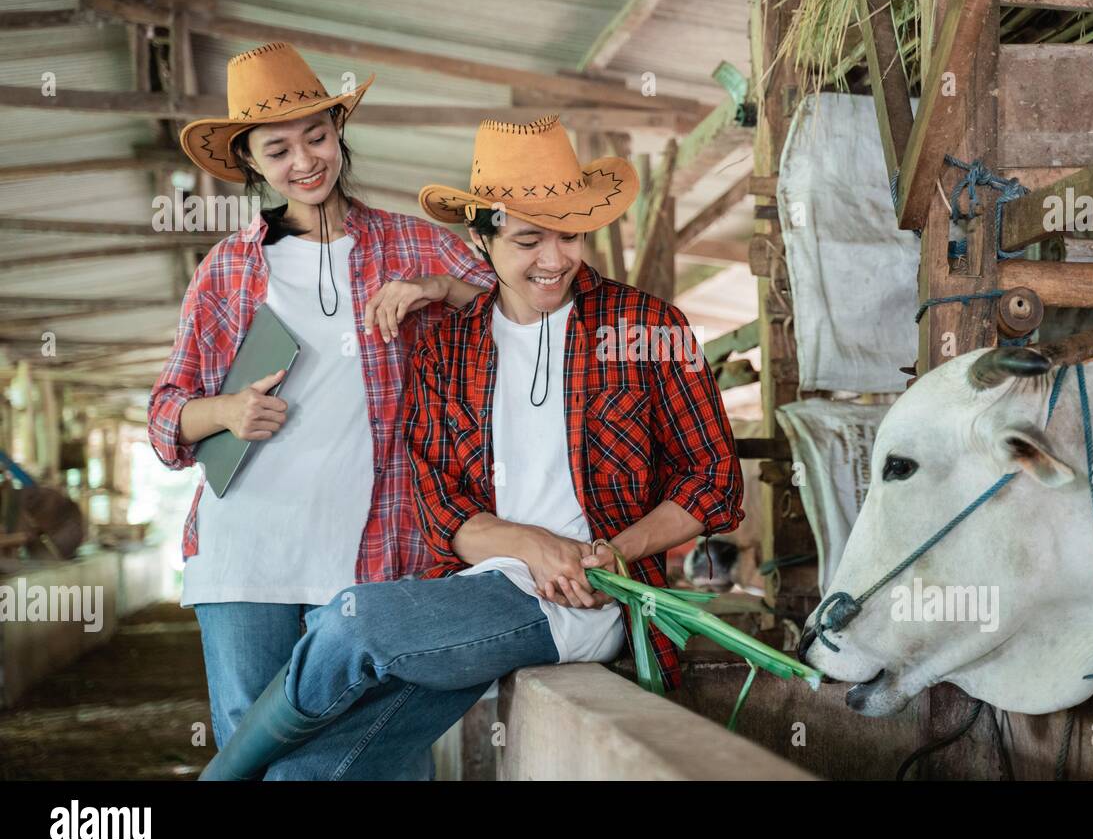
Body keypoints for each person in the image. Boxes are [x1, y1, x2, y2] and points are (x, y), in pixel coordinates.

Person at [199, 113, 745, 780]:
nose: (555, 259)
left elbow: (713, 479)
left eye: (570, 235)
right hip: (471, 598)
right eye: (527, 239)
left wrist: (612, 552)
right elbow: (441, 513)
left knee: (353, 621)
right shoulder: (449, 347)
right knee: (315, 770)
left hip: (591, 600)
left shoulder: (647, 326)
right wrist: (527, 544)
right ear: (479, 240)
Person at [147, 42, 492, 779]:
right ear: (251, 163)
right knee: (255, 755)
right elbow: (167, 416)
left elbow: (524, 321)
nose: (304, 160)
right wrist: (228, 411)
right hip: (246, 556)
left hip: (374, 554)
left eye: (317, 137)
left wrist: (440, 289)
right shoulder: (228, 269)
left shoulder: (414, 242)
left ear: (340, 133)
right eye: (278, 149)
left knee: (377, 759)